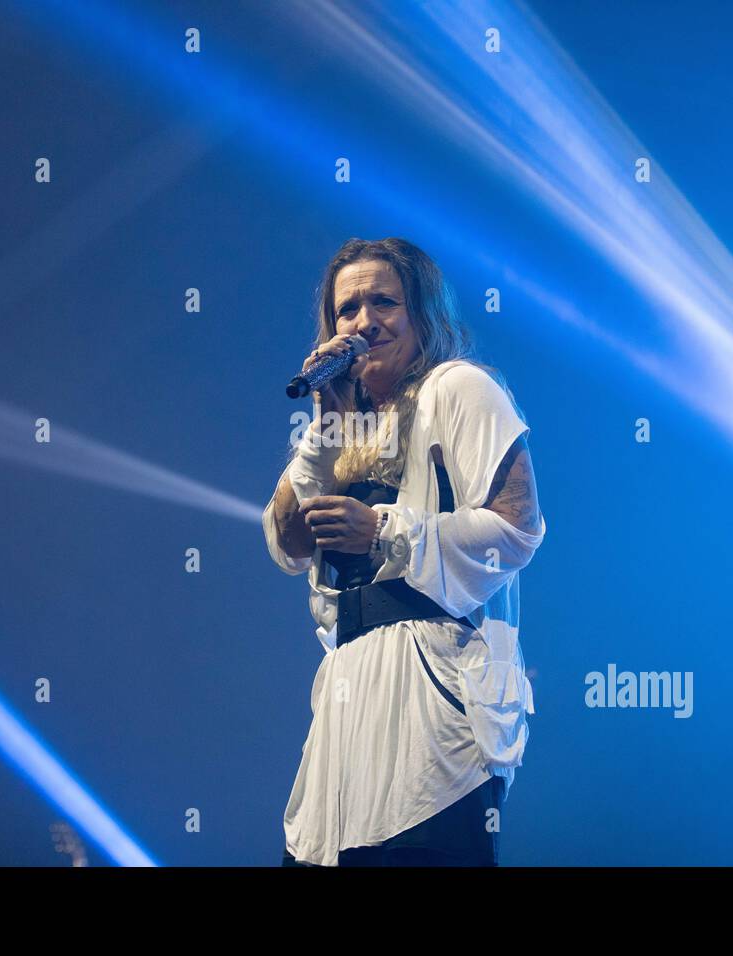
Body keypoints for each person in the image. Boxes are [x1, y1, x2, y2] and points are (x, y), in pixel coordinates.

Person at [263, 237, 545, 866]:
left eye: (384, 302)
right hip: (348, 687)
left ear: (423, 314)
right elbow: (286, 541)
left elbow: (518, 527)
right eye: (348, 308)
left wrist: (388, 532)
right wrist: (325, 428)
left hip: (432, 684)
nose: (365, 322)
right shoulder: (344, 426)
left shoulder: (458, 387)